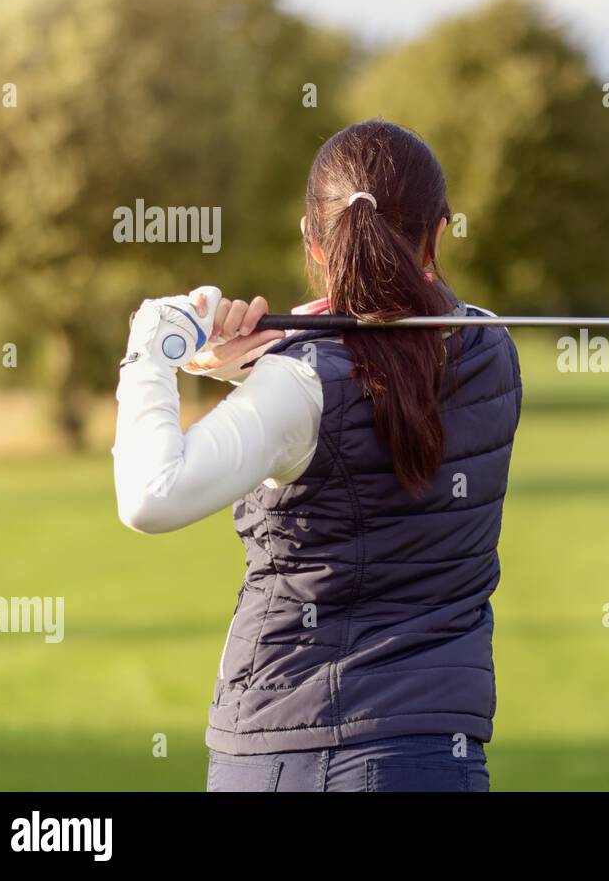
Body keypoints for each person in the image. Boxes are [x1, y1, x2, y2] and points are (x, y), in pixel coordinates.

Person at [112, 121, 522, 791]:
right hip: (434, 754)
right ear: (440, 232)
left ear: (312, 240)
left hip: (285, 752)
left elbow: (150, 496)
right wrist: (252, 371)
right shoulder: (490, 351)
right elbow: (379, 390)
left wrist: (150, 351)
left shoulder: (299, 384)